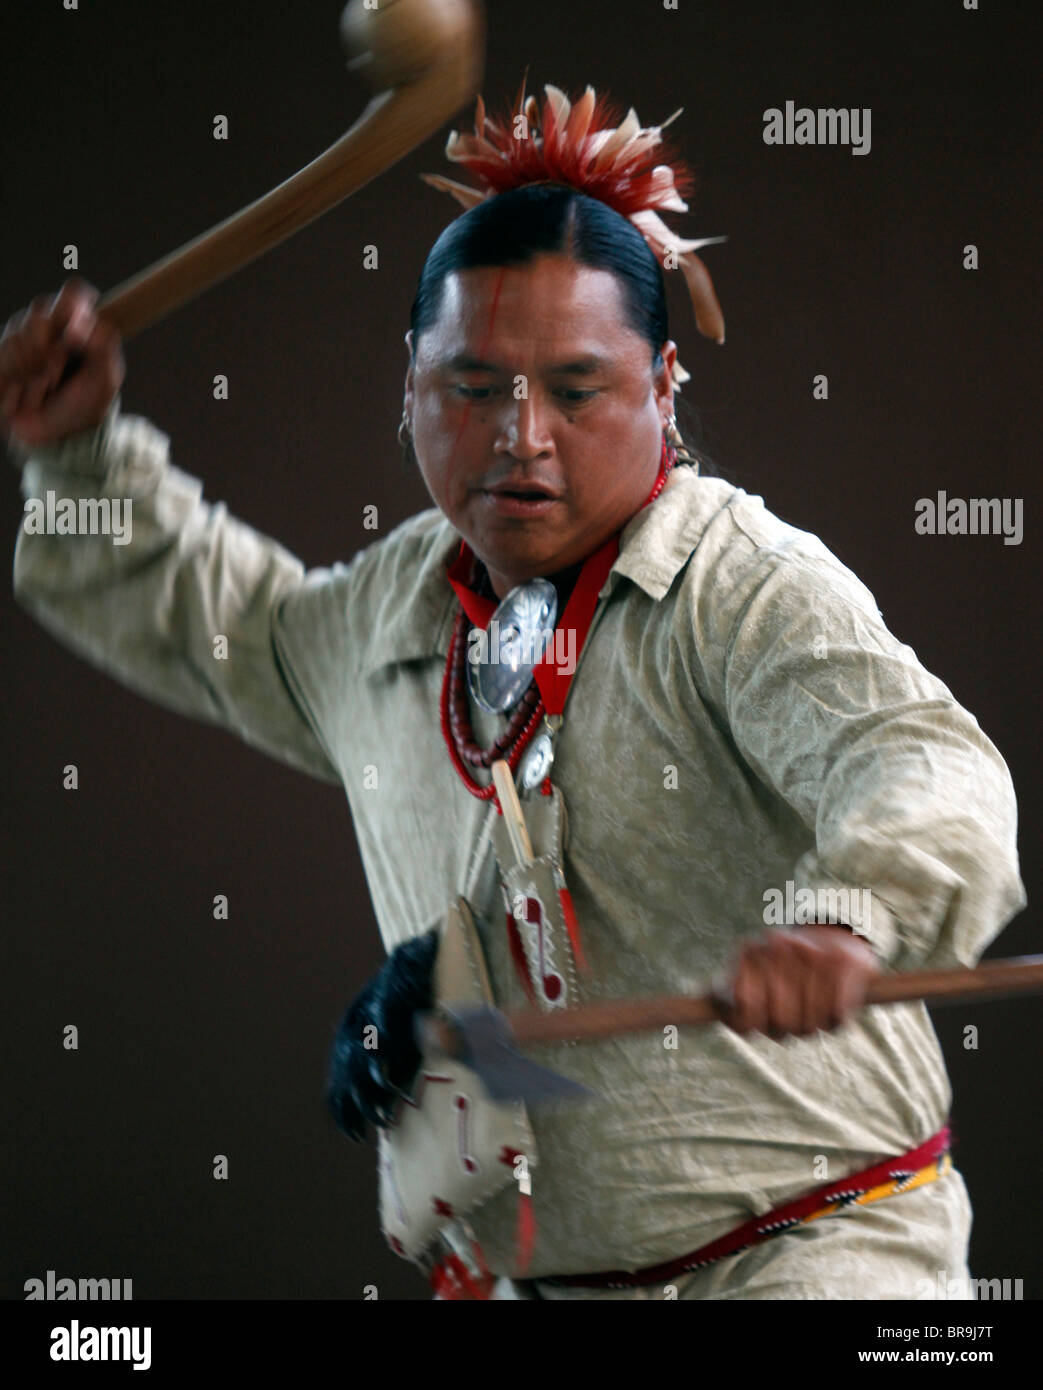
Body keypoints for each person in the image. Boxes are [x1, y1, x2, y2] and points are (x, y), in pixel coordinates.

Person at [2, 81, 1026, 1300]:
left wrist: (849, 912)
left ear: (661, 387)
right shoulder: (389, 611)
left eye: (575, 389)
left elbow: (920, 760)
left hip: (820, 1257)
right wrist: (73, 451)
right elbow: (205, 610)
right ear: (409, 386)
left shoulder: (744, 587)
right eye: (473, 387)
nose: (519, 436)